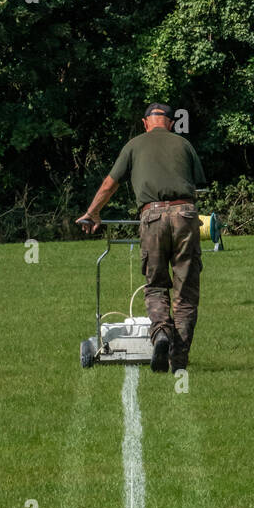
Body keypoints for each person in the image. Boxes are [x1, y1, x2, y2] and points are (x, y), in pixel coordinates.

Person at [78, 103, 206, 373]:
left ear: (145, 122)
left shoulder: (134, 145)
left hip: (152, 217)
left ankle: (160, 334)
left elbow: (109, 184)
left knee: (156, 285)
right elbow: (197, 184)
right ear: (170, 123)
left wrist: (92, 213)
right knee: (186, 294)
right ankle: (178, 362)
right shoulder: (184, 145)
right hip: (185, 215)